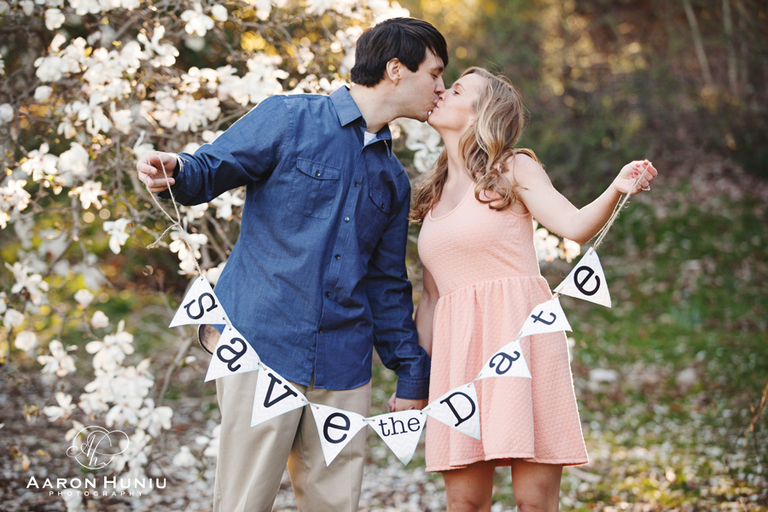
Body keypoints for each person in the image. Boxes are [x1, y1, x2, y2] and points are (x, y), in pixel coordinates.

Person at [136, 18, 448, 512]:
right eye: (435, 73)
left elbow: (387, 284)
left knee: (333, 506)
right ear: (395, 69)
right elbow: (209, 169)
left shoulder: (393, 179)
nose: (441, 88)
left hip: (345, 365)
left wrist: (411, 372)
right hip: (261, 347)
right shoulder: (288, 119)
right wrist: (176, 169)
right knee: (243, 501)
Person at [407, 67, 658, 512]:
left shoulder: (512, 167)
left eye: (457, 89)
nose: (442, 91)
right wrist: (414, 383)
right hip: (459, 359)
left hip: (522, 345)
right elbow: (430, 298)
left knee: (533, 500)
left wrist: (617, 188)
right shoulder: (431, 192)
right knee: (463, 502)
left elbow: (574, 225)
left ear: (482, 111)